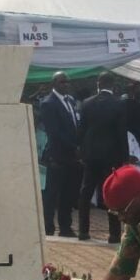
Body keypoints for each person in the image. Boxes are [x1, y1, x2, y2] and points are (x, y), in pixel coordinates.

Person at [77, 71, 129, 242]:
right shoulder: (119, 104)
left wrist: (82, 151)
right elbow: (122, 133)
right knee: (111, 193)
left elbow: (81, 131)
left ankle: (83, 231)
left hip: (91, 155)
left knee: (86, 192)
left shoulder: (86, 103)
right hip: (111, 156)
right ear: (113, 85)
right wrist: (125, 158)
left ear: (98, 84)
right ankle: (114, 234)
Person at [39, 71, 82, 237]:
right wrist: (73, 147)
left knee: (68, 193)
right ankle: (48, 226)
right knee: (52, 194)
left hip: (72, 156)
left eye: (67, 82)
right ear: (54, 83)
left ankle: (65, 227)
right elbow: (54, 132)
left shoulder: (70, 100)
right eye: (62, 82)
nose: (66, 84)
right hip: (57, 155)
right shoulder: (48, 103)